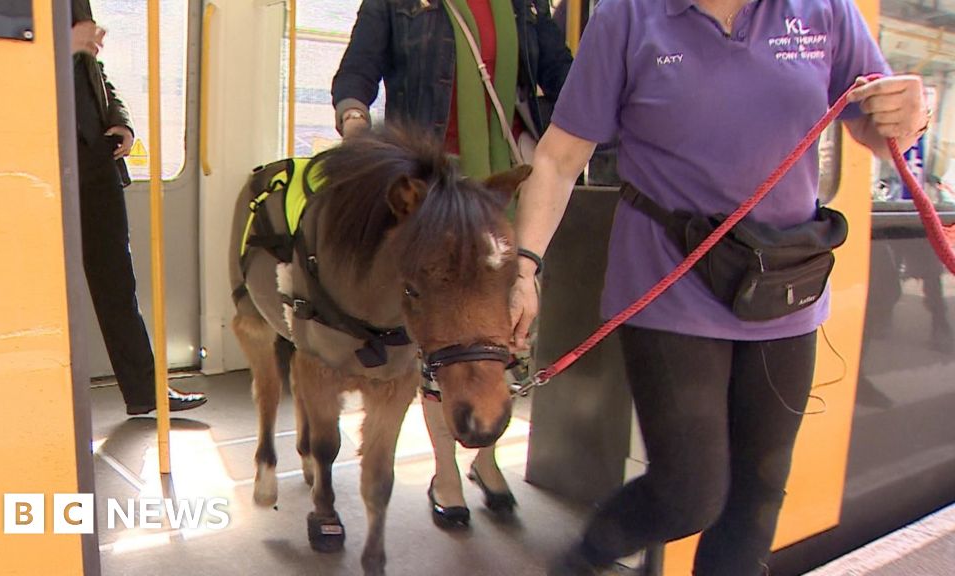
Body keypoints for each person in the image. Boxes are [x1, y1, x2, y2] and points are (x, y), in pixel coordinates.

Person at [506, 1, 929, 574]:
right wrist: (525, 267)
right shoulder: (628, 16)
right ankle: (584, 557)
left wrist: (910, 115)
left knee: (757, 495)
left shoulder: (824, 10)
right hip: (670, 281)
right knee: (689, 491)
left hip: (781, 286)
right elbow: (558, 160)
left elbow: (878, 130)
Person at [331, 0, 573, 527]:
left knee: (502, 333)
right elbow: (357, 70)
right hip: (434, 192)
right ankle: (446, 472)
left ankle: (486, 455)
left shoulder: (527, 4)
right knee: (444, 337)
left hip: (504, 184)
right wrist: (354, 120)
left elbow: (564, 78)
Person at [72, 0, 206, 416]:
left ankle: (145, 391)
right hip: (46, 163)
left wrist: (121, 121)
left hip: (96, 160)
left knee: (117, 283)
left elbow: (94, 72)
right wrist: (64, 43)